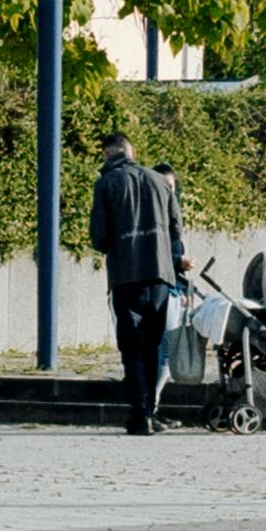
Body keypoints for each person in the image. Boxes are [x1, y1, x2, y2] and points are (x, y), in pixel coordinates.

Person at [90, 132, 173, 434]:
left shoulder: (106, 184)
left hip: (126, 275)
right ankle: (150, 411)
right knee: (153, 346)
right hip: (160, 274)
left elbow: (99, 237)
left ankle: (140, 415)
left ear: (107, 154)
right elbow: (176, 229)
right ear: (130, 151)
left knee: (132, 347)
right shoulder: (159, 181)